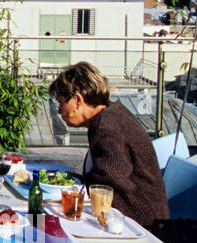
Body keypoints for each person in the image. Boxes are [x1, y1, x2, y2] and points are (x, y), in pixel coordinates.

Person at [49, 61, 169, 227]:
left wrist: (64, 186)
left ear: (77, 100)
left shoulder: (106, 126)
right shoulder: (112, 115)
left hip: (138, 225)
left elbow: (108, 180)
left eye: (61, 102)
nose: (59, 110)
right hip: (132, 218)